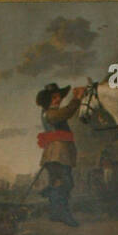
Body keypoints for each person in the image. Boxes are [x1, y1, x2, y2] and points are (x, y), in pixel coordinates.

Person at [34, 82, 85, 227]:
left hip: (59, 154)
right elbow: (67, 112)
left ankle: (55, 211)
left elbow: (65, 112)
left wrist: (76, 97)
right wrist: (78, 98)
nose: (57, 99)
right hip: (57, 154)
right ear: (47, 100)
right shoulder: (51, 113)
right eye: (53, 97)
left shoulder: (52, 112)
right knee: (65, 183)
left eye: (58, 97)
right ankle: (63, 214)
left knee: (58, 182)